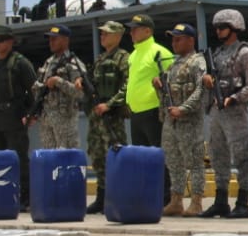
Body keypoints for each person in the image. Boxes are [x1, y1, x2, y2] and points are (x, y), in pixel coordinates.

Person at [197, 9, 248, 219]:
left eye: (222, 27)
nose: (218, 31)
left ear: (233, 28)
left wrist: (234, 98)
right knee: (217, 155)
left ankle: (243, 202)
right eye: (217, 27)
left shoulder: (245, 53)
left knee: (242, 156)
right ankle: (220, 200)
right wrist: (206, 81)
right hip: (216, 110)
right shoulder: (217, 54)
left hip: (235, 110)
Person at [157, 23, 207, 217]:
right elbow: (167, 93)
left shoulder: (197, 62)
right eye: (173, 39)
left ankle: (196, 201)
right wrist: (158, 85)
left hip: (189, 121)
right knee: (173, 161)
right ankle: (176, 200)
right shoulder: (174, 64)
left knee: (194, 162)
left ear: (191, 40)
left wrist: (184, 109)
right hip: (171, 121)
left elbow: (200, 90)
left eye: (179, 39)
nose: (174, 43)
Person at [0, 25, 36, 207]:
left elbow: (35, 90)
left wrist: (30, 113)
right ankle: (0, 196)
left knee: (17, 158)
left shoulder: (20, 63)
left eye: (0, 40)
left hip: (13, 117)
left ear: (11, 41)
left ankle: (25, 197)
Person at [125, 14, 174, 205]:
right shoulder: (133, 55)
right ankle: (147, 195)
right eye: (131, 28)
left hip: (154, 111)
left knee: (158, 156)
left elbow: (172, 77)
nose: (131, 32)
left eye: (135, 28)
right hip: (136, 112)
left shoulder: (160, 52)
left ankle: (164, 197)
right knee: (141, 158)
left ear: (148, 30)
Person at [85, 21, 130, 214]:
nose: (102, 36)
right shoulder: (100, 59)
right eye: (101, 33)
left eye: (106, 33)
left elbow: (127, 85)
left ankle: (117, 196)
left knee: (115, 154)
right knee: (97, 156)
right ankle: (101, 197)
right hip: (96, 115)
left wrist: (110, 104)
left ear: (118, 35)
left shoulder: (123, 58)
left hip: (112, 116)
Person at [25, 24, 87, 150]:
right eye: (50, 39)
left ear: (65, 40)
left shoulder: (73, 63)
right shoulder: (48, 63)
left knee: (66, 158)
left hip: (64, 120)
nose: (51, 42)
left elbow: (80, 93)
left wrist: (58, 81)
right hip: (46, 119)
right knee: (50, 160)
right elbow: (39, 90)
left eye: (55, 38)